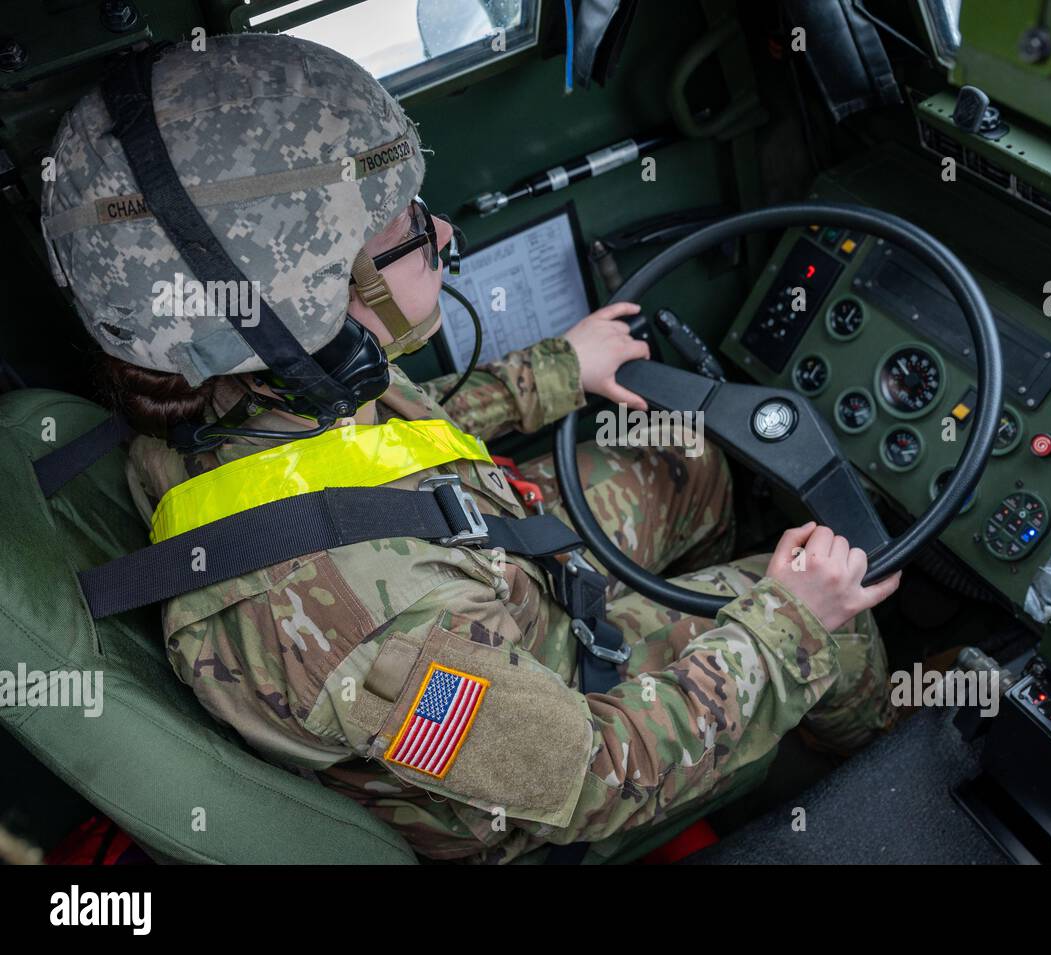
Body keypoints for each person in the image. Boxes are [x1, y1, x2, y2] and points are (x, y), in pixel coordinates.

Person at [40, 32, 900, 863]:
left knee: (687, 457)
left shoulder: (245, 388)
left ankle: (694, 626)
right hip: (553, 751)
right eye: (406, 228)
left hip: (482, 569)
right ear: (307, 299)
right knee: (843, 625)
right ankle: (887, 766)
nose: (443, 234)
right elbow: (599, 774)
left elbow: (387, 446)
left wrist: (562, 367)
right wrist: (787, 620)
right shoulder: (374, 637)